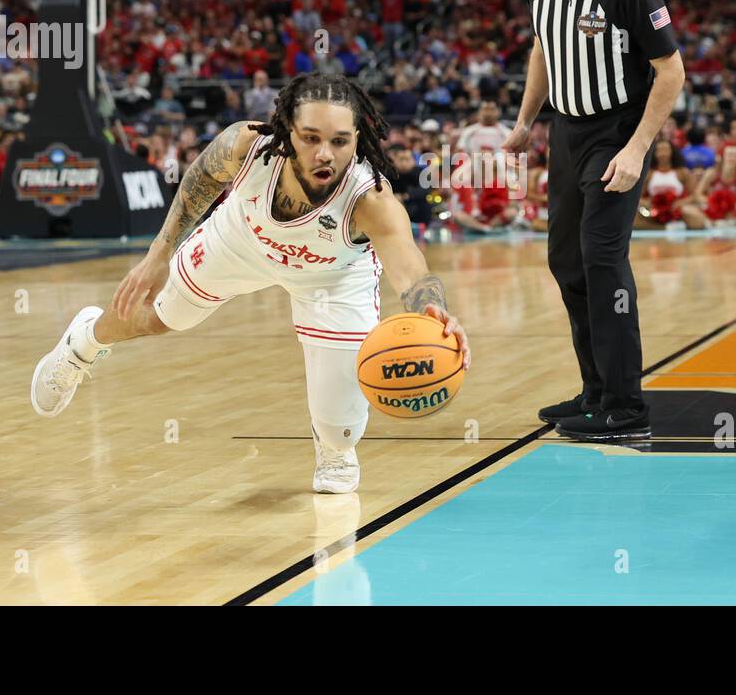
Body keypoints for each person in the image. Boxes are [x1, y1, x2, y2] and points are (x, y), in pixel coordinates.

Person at [30, 73, 471, 494]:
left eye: (339, 141)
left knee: (342, 431)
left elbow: (410, 268)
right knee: (161, 317)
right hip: (240, 240)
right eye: (310, 137)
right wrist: (157, 256)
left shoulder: (371, 199)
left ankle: (334, 449)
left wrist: (433, 310)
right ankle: (81, 346)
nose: (325, 154)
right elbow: (200, 180)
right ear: (287, 131)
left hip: (333, 278)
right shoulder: (249, 145)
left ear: (358, 138)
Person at [505, 0, 684, 441]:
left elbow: (671, 71)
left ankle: (626, 404)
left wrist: (636, 149)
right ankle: (595, 391)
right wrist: (525, 122)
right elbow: (542, 47)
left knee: (603, 261)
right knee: (566, 263)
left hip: (617, 133)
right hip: (566, 133)